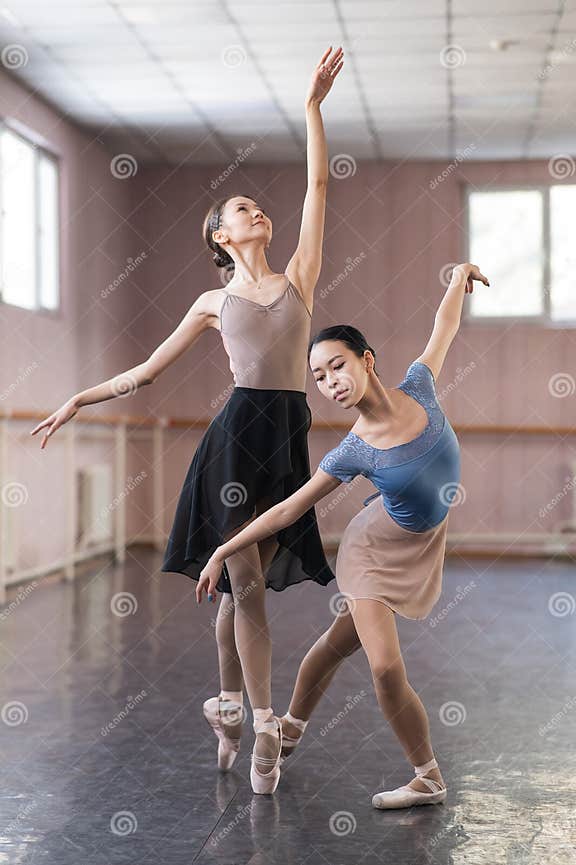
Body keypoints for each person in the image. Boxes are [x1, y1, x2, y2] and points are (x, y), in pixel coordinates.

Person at [29, 45, 345, 797]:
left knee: (242, 591)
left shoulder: (300, 275)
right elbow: (145, 371)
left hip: (285, 440)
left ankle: (230, 705)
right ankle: (264, 726)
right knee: (246, 586)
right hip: (233, 446)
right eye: (240, 209)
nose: (255, 210)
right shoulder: (212, 303)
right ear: (219, 237)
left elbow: (318, 183)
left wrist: (311, 109)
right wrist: (78, 398)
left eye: (256, 206)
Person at [197, 262, 490, 806]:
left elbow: (442, 328)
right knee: (383, 665)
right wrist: (224, 548)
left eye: (338, 367)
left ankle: (287, 729)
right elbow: (286, 510)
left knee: (334, 646)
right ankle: (428, 775)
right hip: (372, 551)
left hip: (422, 544)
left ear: (367, 361)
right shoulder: (352, 450)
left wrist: (455, 281)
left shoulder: (420, 388)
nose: (331, 383)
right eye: (320, 377)